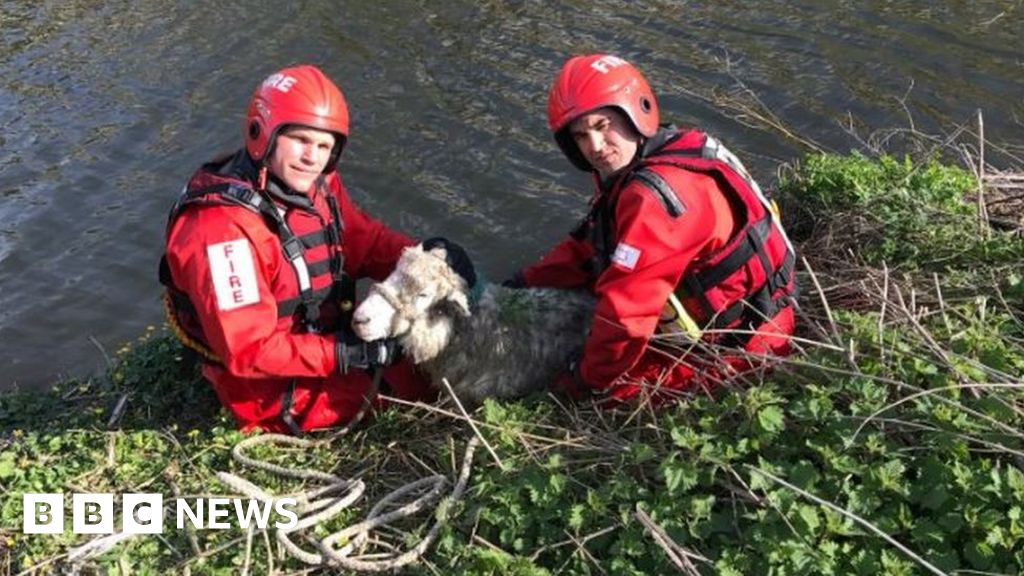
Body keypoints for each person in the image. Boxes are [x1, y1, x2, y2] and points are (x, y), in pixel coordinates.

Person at [160, 64, 473, 433]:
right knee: (419, 386)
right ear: (263, 132)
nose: (312, 157)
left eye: (324, 146)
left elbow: (363, 242)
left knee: (445, 351)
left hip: (322, 335)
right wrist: (345, 354)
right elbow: (251, 350)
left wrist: (425, 257)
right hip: (269, 386)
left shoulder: (316, 185)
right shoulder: (222, 230)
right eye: (301, 140)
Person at [507, 54, 797, 404]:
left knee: (574, 388)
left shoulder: (655, 200)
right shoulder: (657, 156)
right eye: (581, 136)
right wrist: (521, 283)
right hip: (754, 318)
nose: (595, 147)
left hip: (743, 349)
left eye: (602, 126)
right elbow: (590, 245)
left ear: (634, 113)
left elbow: (624, 320)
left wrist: (580, 382)